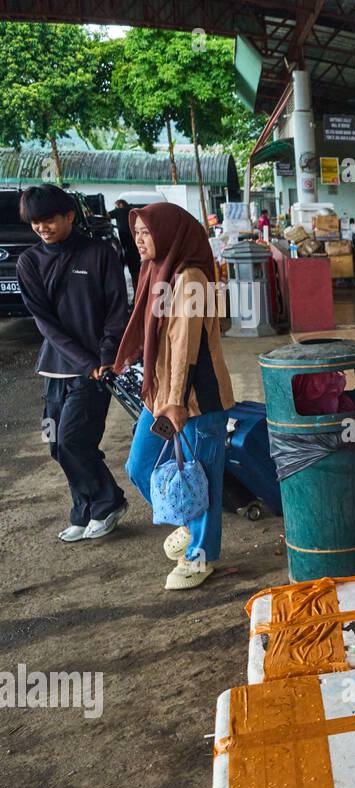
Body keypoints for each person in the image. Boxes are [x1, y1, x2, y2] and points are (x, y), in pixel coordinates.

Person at [114, 203, 235, 590]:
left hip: (195, 399)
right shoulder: (157, 270)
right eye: (136, 234)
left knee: (202, 479)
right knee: (140, 465)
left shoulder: (192, 277)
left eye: (147, 233)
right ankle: (187, 518)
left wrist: (177, 400)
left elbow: (186, 347)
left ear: (170, 234)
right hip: (162, 394)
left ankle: (201, 557)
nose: (139, 241)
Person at [16, 184, 130, 543]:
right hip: (54, 371)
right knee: (54, 442)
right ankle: (84, 511)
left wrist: (105, 357)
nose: (41, 227)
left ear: (69, 216)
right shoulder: (29, 262)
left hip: (94, 372)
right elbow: (45, 323)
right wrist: (82, 360)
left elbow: (116, 310)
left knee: (72, 440)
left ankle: (108, 503)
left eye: (48, 219)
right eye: (35, 222)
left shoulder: (100, 253)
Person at [110, 199, 142, 290]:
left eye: (115, 205)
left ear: (120, 204)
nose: (115, 207)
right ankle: (139, 288)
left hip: (127, 243)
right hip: (134, 241)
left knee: (133, 268)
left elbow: (105, 216)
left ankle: (137, 291)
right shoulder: (131, 211)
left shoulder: (119, 211)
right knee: (136, 267)